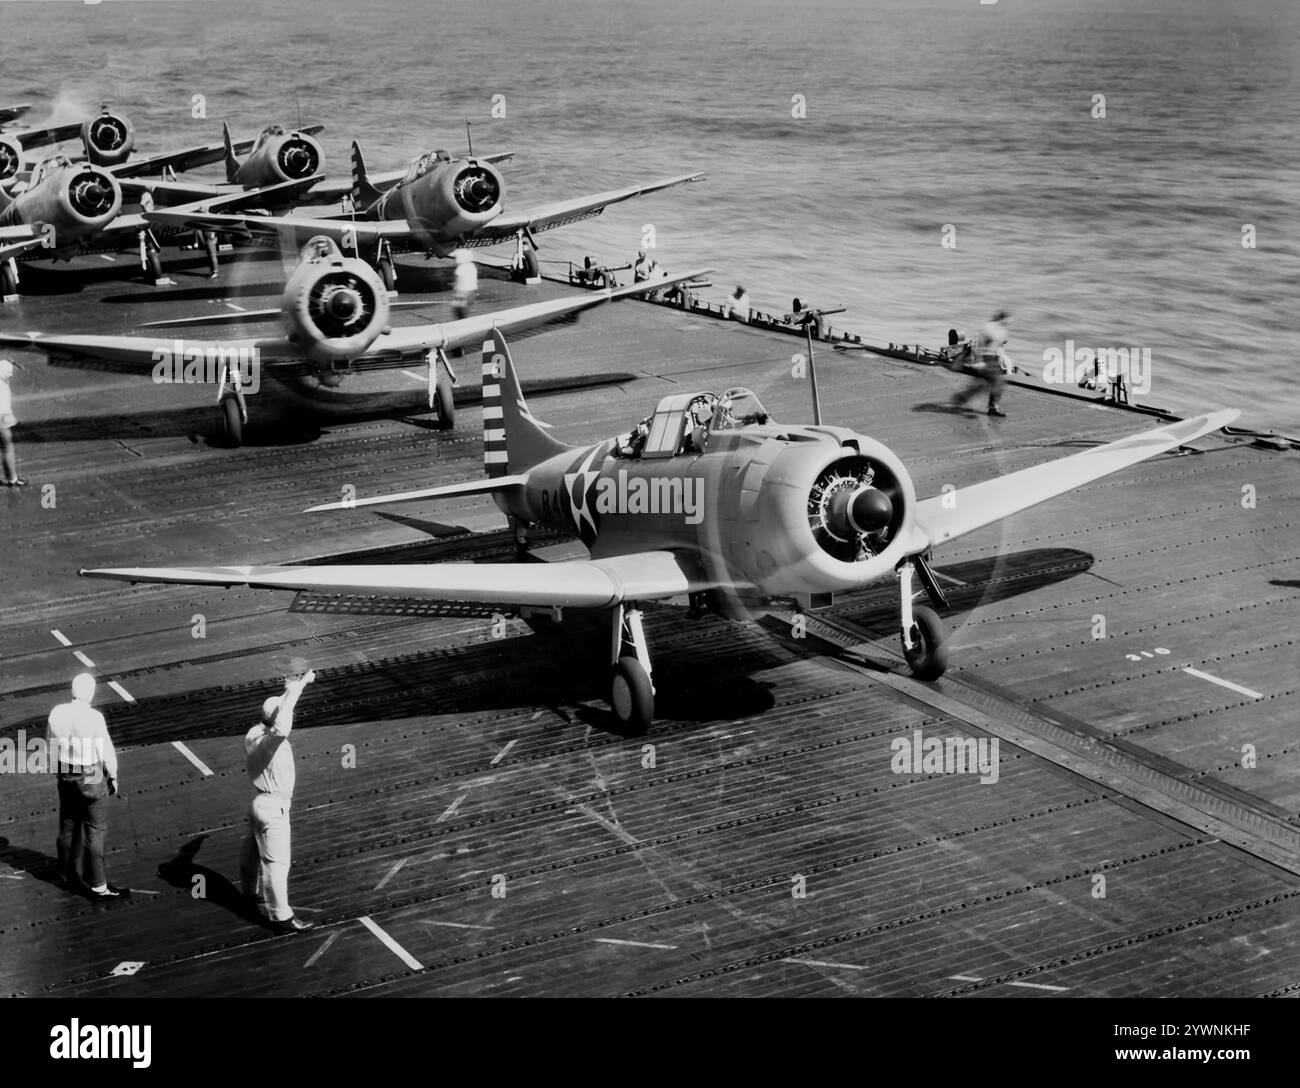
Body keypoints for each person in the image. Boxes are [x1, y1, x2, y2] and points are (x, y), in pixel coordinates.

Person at [240, 669, 317, 934]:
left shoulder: (253, 734)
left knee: (251, 850)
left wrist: (293, 685)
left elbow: (277, 713)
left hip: (258, 803)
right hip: (274, 808)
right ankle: (281, 916)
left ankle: (248, 891)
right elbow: (283, 723)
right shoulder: (271, 742)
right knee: (276, 863)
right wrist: (298, 688)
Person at [47, 674, 123, 899]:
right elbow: (106, 751)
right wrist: (113, 775)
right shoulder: (94, 717)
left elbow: (49, 744)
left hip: (65, 771)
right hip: (89, 772)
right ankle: (98, 884)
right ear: (91, 693)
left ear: (72, 690)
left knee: (68, 826)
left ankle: (65, 873)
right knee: (95, 828)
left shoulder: (56, 713)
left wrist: (57, 771)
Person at [952, 309, 1010, 417]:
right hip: (985, 359)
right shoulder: (989, 328)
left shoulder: (1003, 330)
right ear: (1001, 318)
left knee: (982, 385)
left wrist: (1003, 358)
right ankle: (992, 408)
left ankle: (960, 399)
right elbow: (978, 345)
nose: (1009, 322)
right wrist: (979, 361)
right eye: (1008, 319)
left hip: (994, 358)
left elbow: (999, 346)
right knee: (997, 382)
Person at [0, 359, 26, 487]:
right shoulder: (3, 368)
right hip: (1, 415)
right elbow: (10, 368)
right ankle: (12, 478)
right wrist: (13, 362)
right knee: (7, 447)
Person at [451, 248, 477, 321]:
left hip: (461, 295)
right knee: (465, 312)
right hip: (470, 293)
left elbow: (457, 283)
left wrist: (455, 294)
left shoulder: (460, 269)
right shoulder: (472, 267)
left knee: (459, 313)